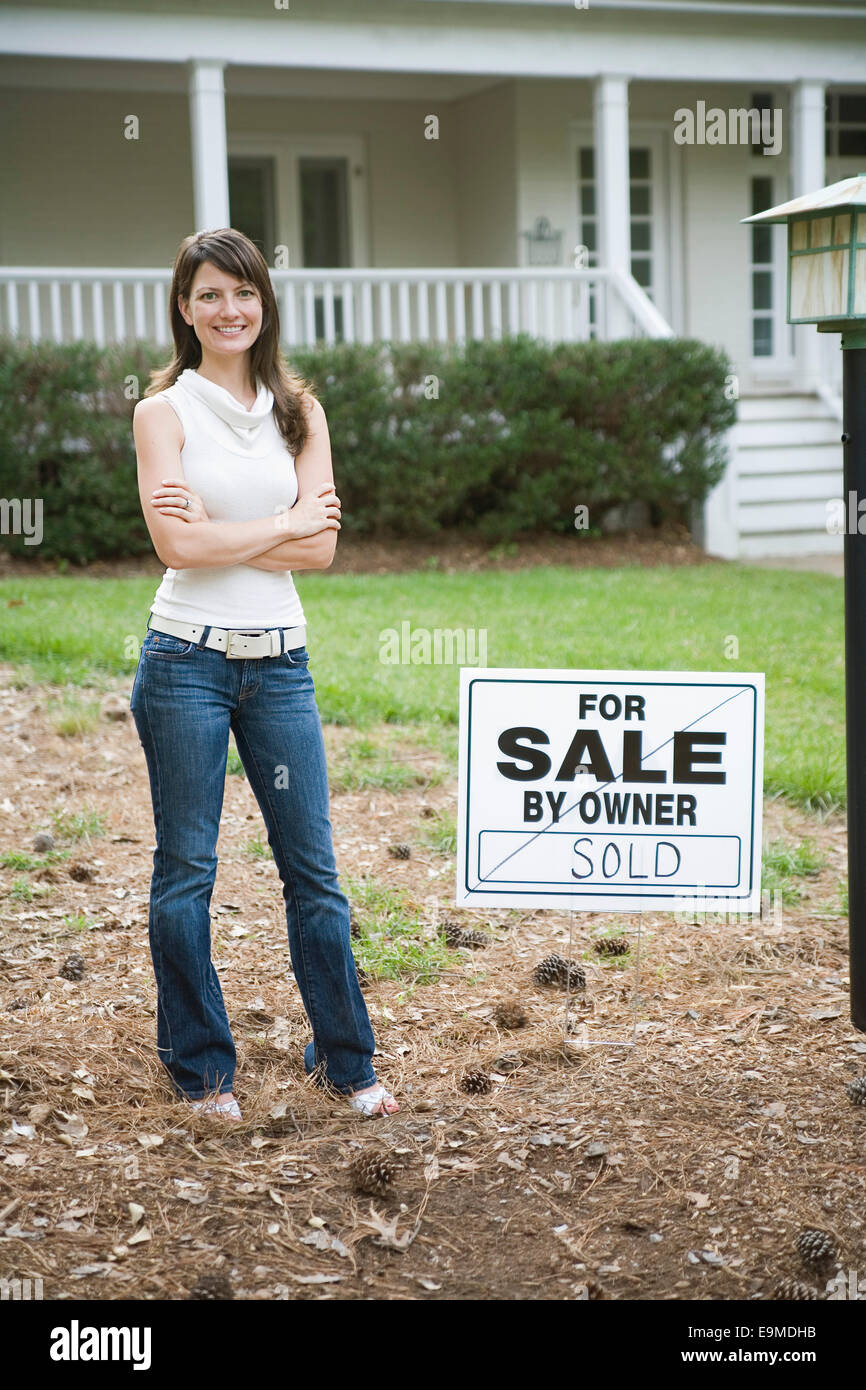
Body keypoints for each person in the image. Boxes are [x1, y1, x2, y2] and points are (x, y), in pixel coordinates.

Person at [129, 227, 398, 1121]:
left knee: (313, 871)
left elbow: (320, 550)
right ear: (184, 308)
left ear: (264, 303)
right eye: (209, 294)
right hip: (185, 668)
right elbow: (177, 546)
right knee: (186, 874)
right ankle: (202, 1070)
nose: (228, 310)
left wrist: (239, 531)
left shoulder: (300, 412)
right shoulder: (163, 413)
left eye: (242, 293)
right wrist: (278, 523)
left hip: (280, 666)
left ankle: (347, 1061)